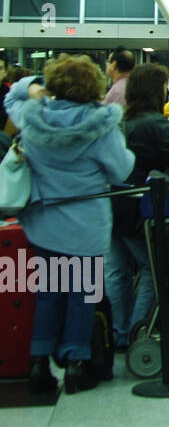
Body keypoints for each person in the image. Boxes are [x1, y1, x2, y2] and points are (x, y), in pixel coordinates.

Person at [8, 57, 134, 395]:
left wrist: (31, 83)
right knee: (82, 295)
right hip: (85, 224)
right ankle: (76, 365)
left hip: (45, 223)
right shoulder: (101, 125)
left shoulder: (33, 119)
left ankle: (38, 363)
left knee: (49, 293)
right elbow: (121, 171)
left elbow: (12, 98)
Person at [107, 63, 169, 349]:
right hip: (140, 211)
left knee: (117, 273)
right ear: (154, 91)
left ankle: (119, 335)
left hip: (113, 205)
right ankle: (139, 334)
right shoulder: (154, 123)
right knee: (152, 269)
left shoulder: (124, 121)